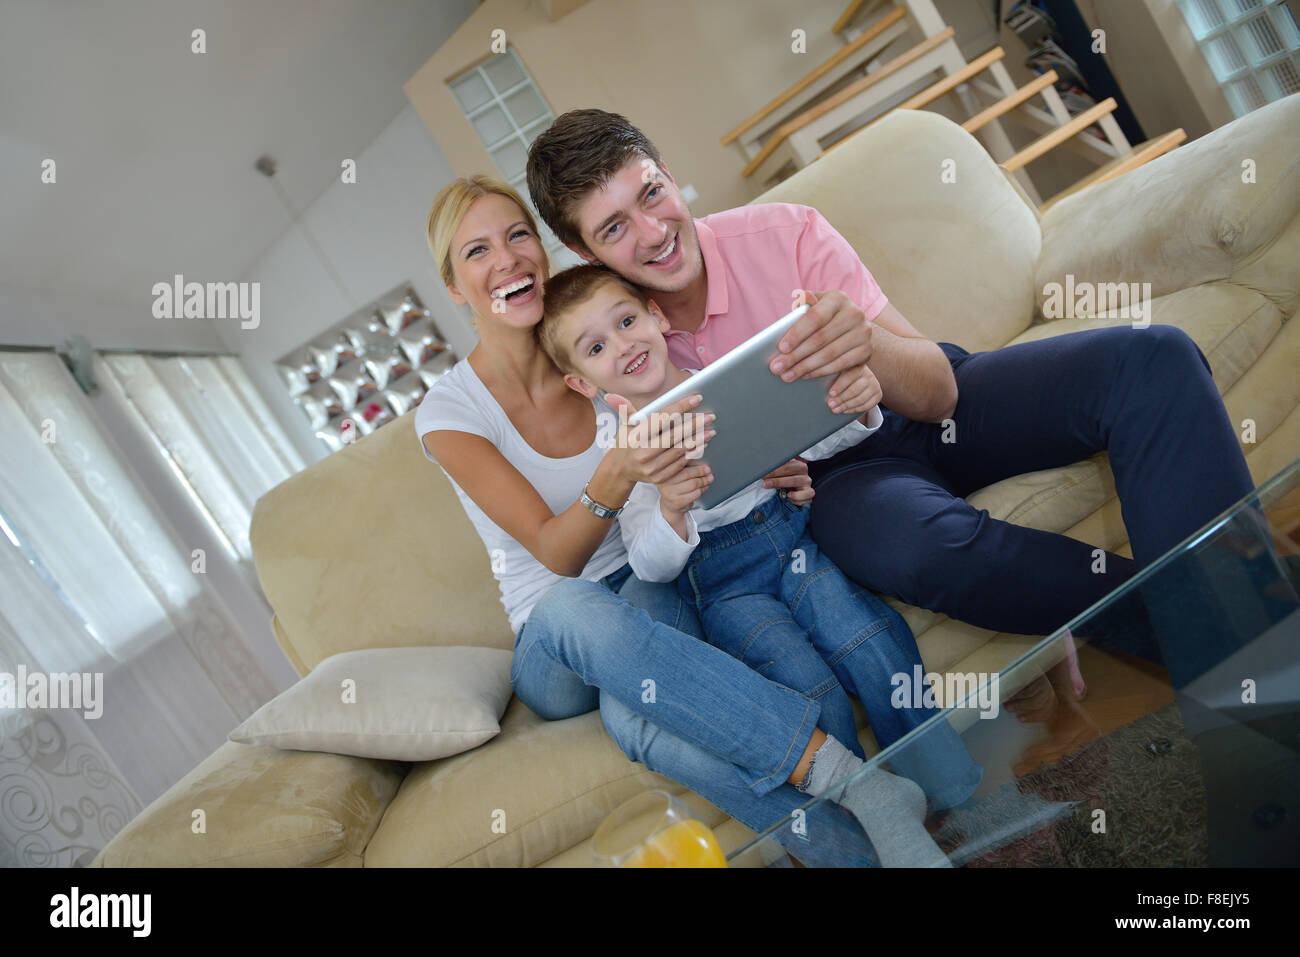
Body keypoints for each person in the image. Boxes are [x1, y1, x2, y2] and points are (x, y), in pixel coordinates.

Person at [523, 108, 1257, 685]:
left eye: (651, 193)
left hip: (920, 405)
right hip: (843, 485)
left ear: (668, 174)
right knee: (932, 551)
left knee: (1152, 359)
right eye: (615, 228)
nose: (654, 233)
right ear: (588, 253)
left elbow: (939, 394)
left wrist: (862, 343)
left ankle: (1249, 649)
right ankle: (1247, 646)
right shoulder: (618, 348)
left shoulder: (785, 233)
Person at [416, 175, 955, 866]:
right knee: (578, 607)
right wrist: (619, 471)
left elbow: (730, 430)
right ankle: (849, 779)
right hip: (555, 624)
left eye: (518, 235)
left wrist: (769, 462)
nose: (507, 259)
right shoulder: (452, 411)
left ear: (543, 249)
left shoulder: (608, 340)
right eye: (477, 251)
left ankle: (857, 852)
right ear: (456, 287)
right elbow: (557, 557)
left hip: (656, 576)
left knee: (638, 719)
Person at [536, 262, 983, 836]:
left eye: (626, 321)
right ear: (581, 382)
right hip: (725, 591)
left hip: (792, 547)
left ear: (655, 315)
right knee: (807, 687)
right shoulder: (628, 451)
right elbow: (648, 565)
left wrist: (863, 403)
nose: (622, 346)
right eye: (596, 347)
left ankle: (955, 791)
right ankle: (870, 824)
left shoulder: (728, 379)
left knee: (871, 641)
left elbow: (814, 433)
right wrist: (671, 508)